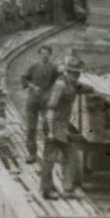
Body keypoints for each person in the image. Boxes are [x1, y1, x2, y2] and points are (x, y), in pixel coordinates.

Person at [40, 64, 83, 199]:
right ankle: (46, 190)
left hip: (63, 126)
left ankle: (68, 188)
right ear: (67, 73)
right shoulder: (60, 86)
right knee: (50, 158)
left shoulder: (73, 86)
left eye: (77, 74)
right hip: (52, 124)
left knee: (71, 156)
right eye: (72, 74)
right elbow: (51, 109)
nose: (75, 77)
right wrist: (51, 133)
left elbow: (88, 88)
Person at [21, 45, 58, 162]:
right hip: (32, 100)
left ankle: (47, 154)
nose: (44, 55)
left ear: (50, 54)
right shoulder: (33, 67)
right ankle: (32, 154)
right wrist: (32, 86)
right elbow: (24, 79)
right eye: (42, 53)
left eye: (47, 53)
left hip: (46, 101)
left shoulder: (53, 68)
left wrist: (50, 92)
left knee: (47, 127)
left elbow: (57, 82)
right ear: (39, 54)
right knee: (31, 128)